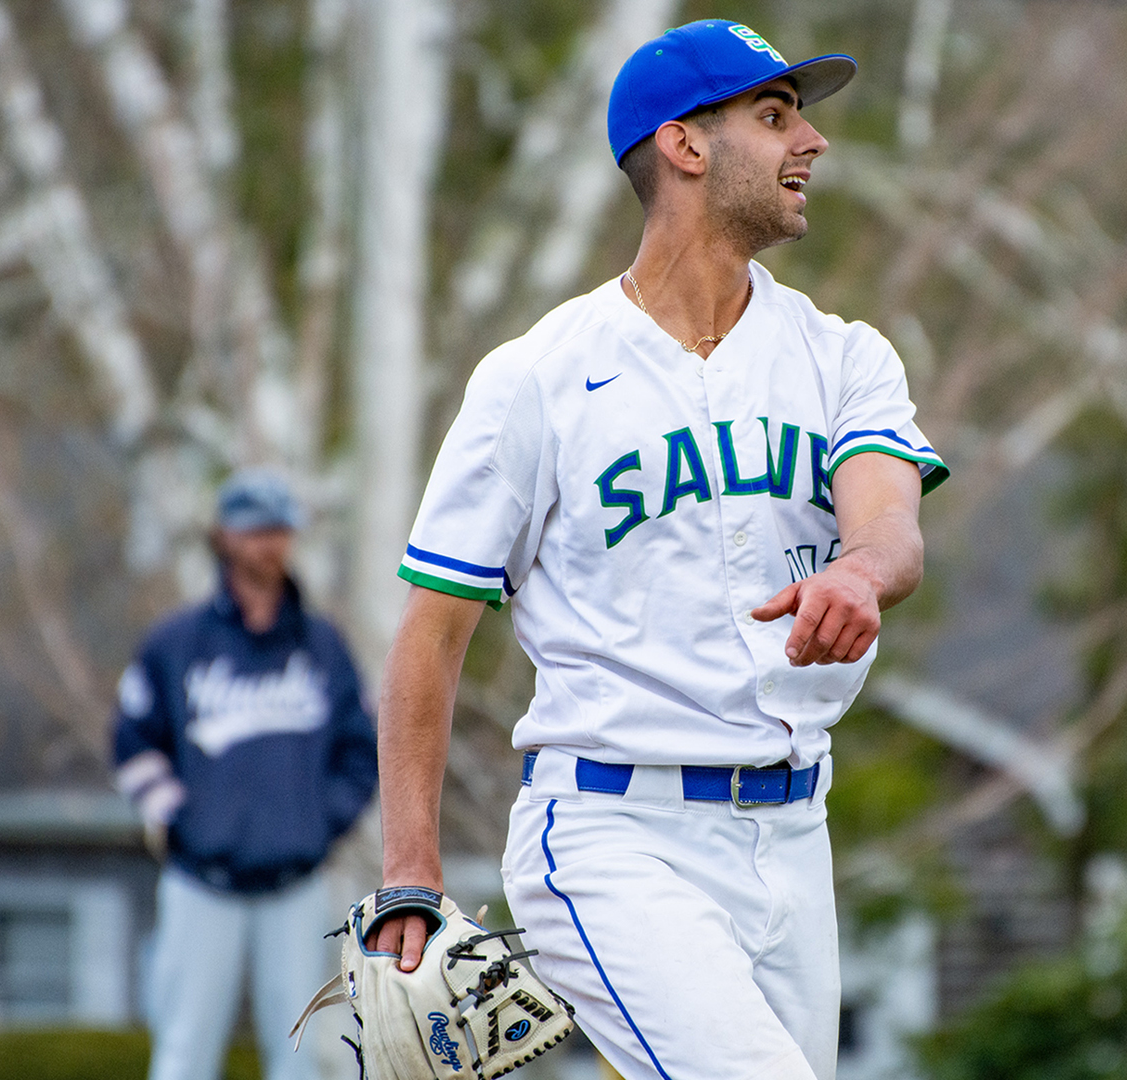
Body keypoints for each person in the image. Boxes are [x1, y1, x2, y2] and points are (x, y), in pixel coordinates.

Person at [367, 18, 948, 1080]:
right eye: (773, 116)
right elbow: (432, 634)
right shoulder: (537, 378)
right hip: (613, 835)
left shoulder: (842, 357)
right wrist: (411, 872)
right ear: (684, 144)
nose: (811, 141)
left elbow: (889, 524)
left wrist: (861, 571)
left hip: (794, 835)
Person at [113, 469, 378, 1080]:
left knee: (303, 1056)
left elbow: (360, 750)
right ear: (224, 537)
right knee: (184, 1052)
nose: (270, 544)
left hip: (297, 885)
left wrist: (320, 823)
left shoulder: (322, 646)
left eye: (279, 530)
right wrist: (178, 818)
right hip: (201, 882)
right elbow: (132, 741)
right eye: (256, 530)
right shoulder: (176, 643)